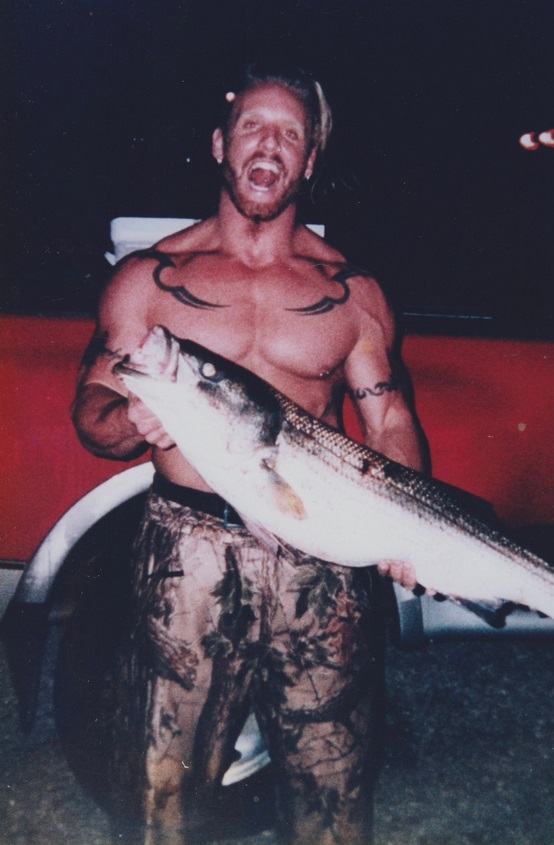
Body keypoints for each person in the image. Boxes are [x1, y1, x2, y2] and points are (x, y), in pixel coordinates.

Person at [72, 62, 426, 845]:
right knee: (162, 790)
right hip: (187, 558)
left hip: (320, 557)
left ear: (309, 160)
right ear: (219, 144)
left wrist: (406, 526)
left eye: (289, 133)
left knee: (333, 792)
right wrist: (134, 421)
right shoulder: (150, 279)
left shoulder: (352, 292)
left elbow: (389, 419)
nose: (268, 144)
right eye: (252, 127)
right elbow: (92, 414)